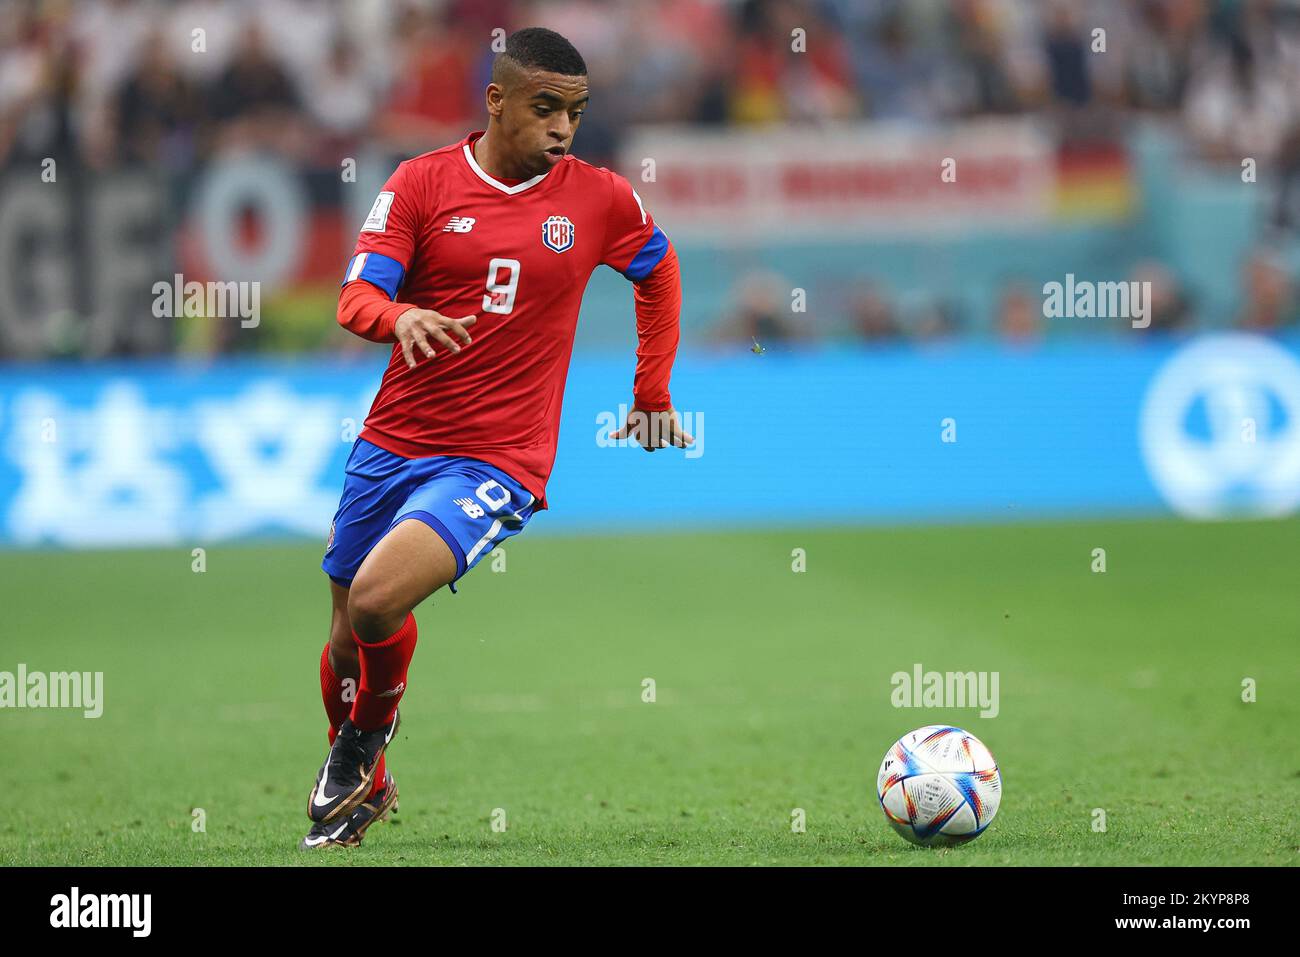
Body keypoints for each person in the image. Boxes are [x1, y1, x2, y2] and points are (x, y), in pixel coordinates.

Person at [301, 27, 691, 850]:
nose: (561, 129)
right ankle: (362, 778)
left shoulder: (599, 199)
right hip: (391, 441)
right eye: (545, 107)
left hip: (497, 457)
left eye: (576, 113)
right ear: (497, 100)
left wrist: (650, 389)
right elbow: (356, 297)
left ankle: (364, 746)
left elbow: (658, 268)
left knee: (376, 599)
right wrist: (402, 313)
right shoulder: (420, 183)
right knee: (343, 640)